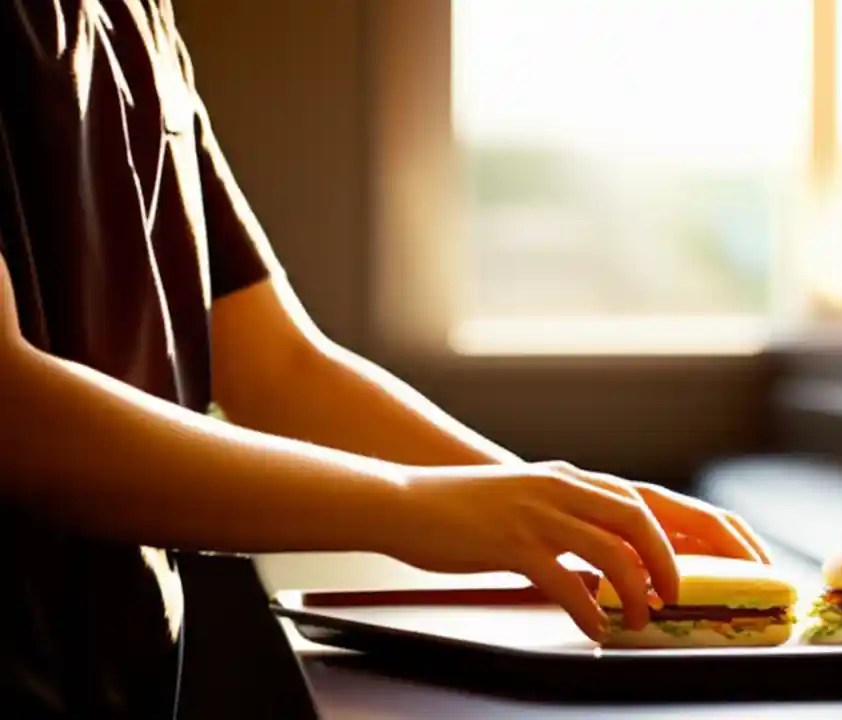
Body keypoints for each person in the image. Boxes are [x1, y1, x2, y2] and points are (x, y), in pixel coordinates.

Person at [0, 1, 771, 716]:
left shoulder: (143, 17)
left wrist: (555, 520)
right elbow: (14, 413)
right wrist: (414, 507)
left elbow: (277, 368)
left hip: (127, 677)